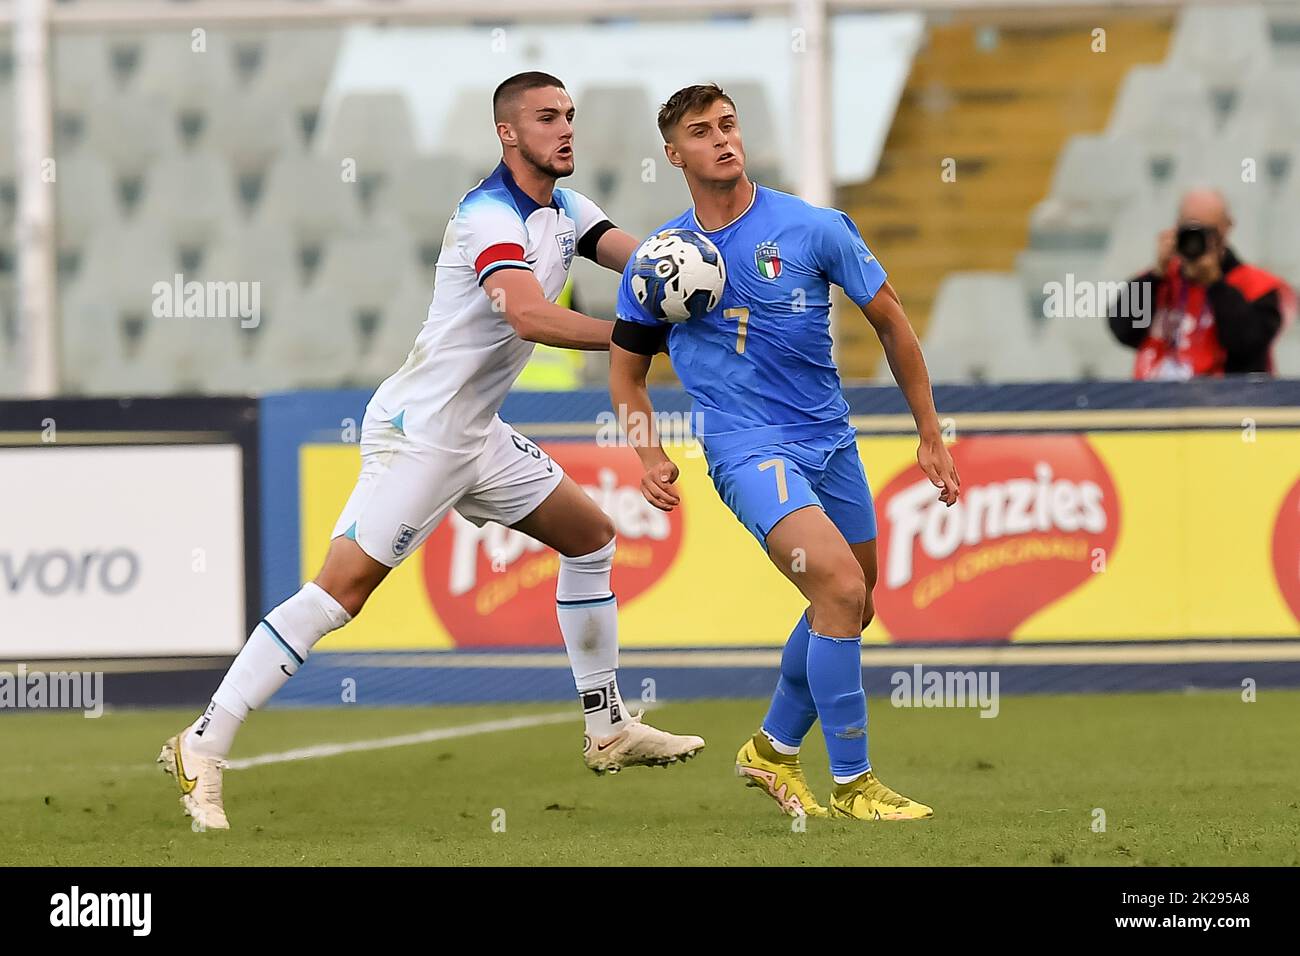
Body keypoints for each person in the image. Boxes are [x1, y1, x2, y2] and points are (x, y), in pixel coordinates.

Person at [159, 72, 704, 831]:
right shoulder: (487, 215)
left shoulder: (569, 210)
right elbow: (526, 314)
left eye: (571, 116)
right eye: (547, 118)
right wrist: (641, 333)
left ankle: (608, 727)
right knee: (337, 595)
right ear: (508, 134)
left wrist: (708, 275)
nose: (567, 129)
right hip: (420, 434)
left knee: (591, 538)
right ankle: (202, 743)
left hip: (476, 436)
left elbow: (645, 266)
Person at [608, 84, 959, 821]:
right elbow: (627, 376)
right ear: (675, 154)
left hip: (831, 439)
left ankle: (771, 748)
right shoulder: (661, 263)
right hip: (746, 447)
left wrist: (929, 432)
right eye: (702, 132)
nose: (723, 140)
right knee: (835, 588)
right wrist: (647, 455)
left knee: (854, 604)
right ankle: (855, 785)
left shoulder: (814, 227)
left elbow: (892, 322)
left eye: (729, 125)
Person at [1107, 187, 1294, 380]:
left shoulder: (1256, 285)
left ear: (1227, 226)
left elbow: (1248, 344)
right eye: (1190, 230)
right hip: (1154, 402)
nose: (1198, 240)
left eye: (1209, 232)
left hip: (1225, 403)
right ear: (1176, 227)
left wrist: (1214, 283)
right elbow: (1122, 330)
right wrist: (1155, 275)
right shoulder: (1159, 281)